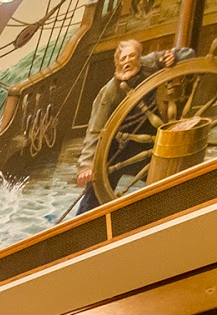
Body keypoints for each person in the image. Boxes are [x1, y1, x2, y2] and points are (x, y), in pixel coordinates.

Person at [75, 38, 191, 214]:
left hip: (152, 139)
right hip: (120, 147)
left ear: (139, 57)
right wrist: (86, 165)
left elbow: (188, 54)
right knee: (95, 194)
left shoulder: (151, 63)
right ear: (117, 62)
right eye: (123, 58)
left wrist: (171, 58)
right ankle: (82, 226)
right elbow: (94, 130)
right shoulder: (110, 92)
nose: (127, 61)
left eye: (132, 56)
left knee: (169, 186)